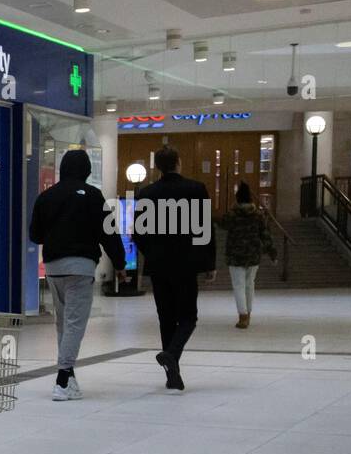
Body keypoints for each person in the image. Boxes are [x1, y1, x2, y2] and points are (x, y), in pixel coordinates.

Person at [29, 149, 127, 401]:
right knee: (74, 323)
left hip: (53, 268)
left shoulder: (46, 197)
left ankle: (69, 377)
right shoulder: (93, 196)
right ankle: (62, 379)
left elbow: (35, 235)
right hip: (81, 267)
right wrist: (119, 263)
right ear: (87, 170)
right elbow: (109, 233)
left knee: (63, 322)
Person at [132, 147, 217, 392]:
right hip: (186, 264)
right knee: (189, 316)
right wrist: (209, 263)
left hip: (159, 265)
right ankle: (171, 354)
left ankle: (172, 374)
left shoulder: (147, 193)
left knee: (166, 318)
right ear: (178, 163)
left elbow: (138, 233)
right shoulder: (195, 189)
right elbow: (205, 229)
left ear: (157, 165)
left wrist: (152, 253)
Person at [218, 181, 277, 329]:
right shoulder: (257, 215)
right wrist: (272, 252)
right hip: (253, 254)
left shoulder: (232, 214)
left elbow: (222, 224)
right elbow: (265, 235)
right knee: (250, 285)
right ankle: (248, 314)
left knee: (239, 286)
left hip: (235, 255)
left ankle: (242, 316)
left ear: (237, 198)